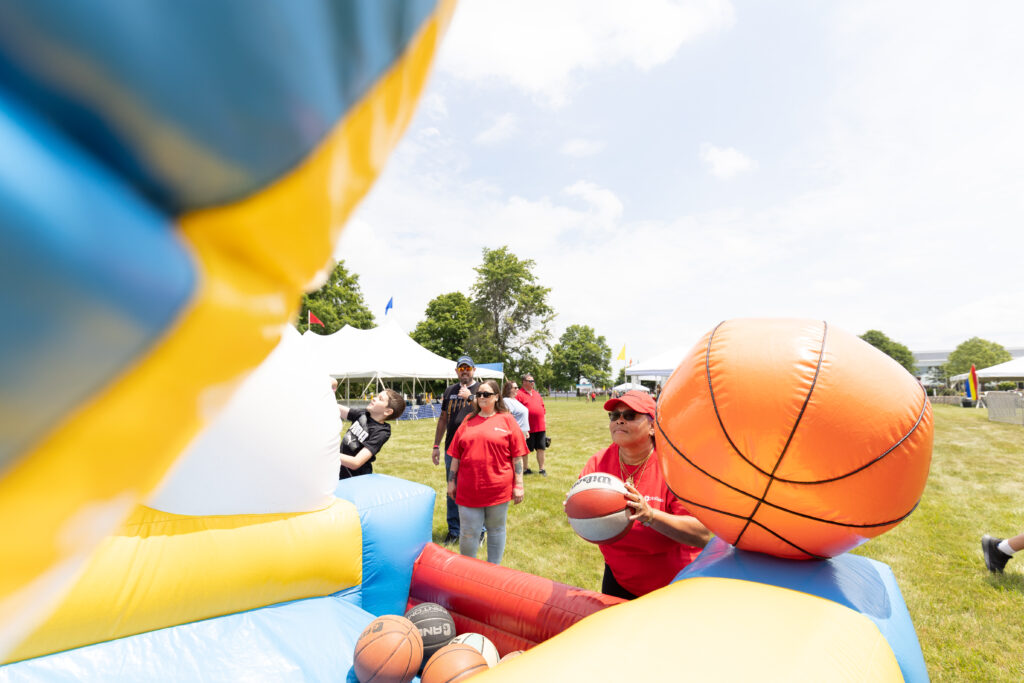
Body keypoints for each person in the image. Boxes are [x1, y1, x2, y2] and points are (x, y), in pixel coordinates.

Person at [575, 390, 711, 600]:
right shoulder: (598, 462)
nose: (619, 420)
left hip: (672, 584)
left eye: (629, 415)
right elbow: (587, 517)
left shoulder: (676, 467)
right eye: (614, 415)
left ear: (652, 427)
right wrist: (578, 506)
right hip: (619, 577)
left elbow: (702, 535)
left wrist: (651, 516)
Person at [447, 379, 527, 564]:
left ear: (496, 397)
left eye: (486, 394)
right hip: (468, 489)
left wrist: (519, 485)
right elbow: (456, 456)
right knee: (468, 532)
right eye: (479, 394)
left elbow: (517, 456)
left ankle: (494, 572)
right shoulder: (468, 421)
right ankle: (469, 572)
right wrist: (451, 482)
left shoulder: (507, 420)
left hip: (498, 488)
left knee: (496, 530)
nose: (481, 397)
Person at [431, 355, 480, 544]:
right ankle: (454, 531)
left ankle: (478, 531)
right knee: (452, 489)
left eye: (468, 368)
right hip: (452, 448)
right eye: (461, 369)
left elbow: (490, 409)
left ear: (474, 370)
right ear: (457, 372)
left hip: (474, 448)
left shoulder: (481, 389)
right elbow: (443, 418)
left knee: (474, 489)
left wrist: (471, 397)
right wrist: (436, 445)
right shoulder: (450, 390)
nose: (465, 371)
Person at [338, 389, 406, 478]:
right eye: (377, 396)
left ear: (387, 411)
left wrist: (328, 454)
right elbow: (335, 408)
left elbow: (356, 462)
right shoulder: (363, 414)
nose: (374, 398)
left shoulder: (381, 432)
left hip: (356, 479)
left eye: (380, 399)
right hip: (338, 469)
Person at [515, 373, 547, 476]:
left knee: (541, 448)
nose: (533, 382)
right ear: (524, 382)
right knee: (526, 449)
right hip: (527, 427)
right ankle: (525, 469)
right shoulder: (519, 394)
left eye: (533, 381)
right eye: (530, 381)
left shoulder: (536, 393)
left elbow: (542, 408)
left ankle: (542, 469)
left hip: (540, 426)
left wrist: (544, 420)